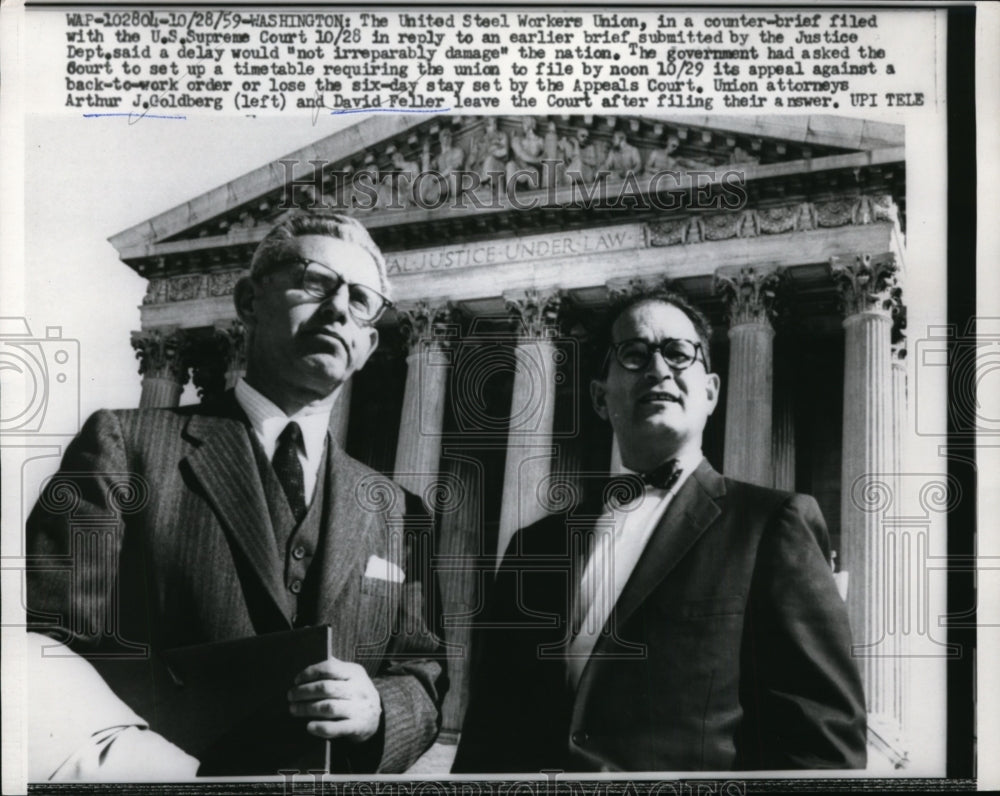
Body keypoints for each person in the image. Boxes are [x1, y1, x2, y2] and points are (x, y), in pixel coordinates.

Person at [26, 211, 447, 778]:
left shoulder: (399, 511)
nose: (339, 307)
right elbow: (47, 646)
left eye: (361, 300)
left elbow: (421, 671)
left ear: (369, 344)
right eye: (316, 281)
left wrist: (379, 709)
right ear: (249, 301)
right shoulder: (125, 447)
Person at [453, 288, 866, 773]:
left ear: (711, 392)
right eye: (633, 354)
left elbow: (821, 746)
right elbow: (488, 733)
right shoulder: (535, 546)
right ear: (599, 397)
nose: (658, 369)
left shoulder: (773, 525)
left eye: (678, 352)